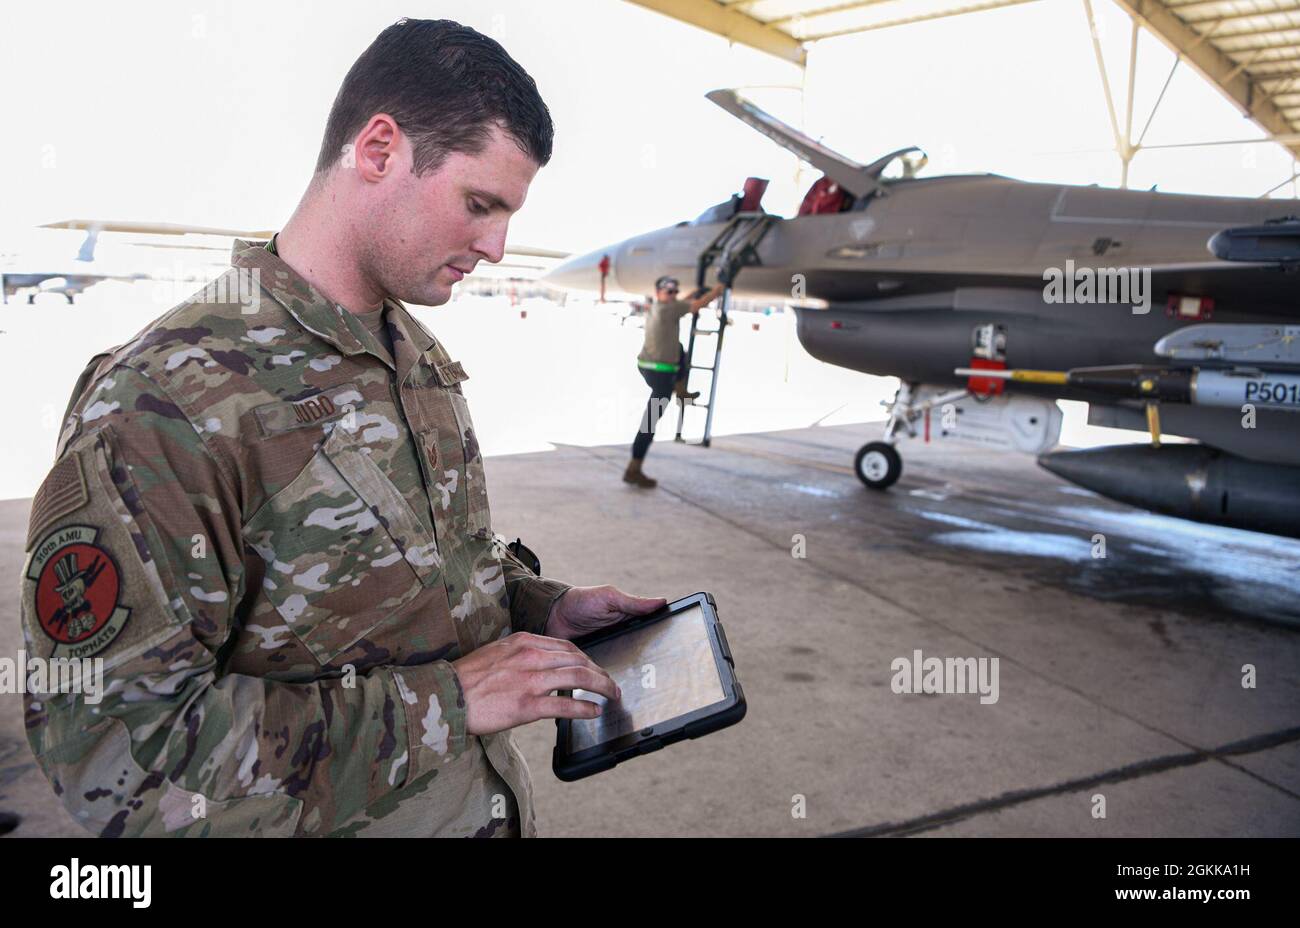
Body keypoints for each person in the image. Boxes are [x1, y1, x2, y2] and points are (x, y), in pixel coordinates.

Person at [18, 17, 667, 838]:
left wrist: (539, 609)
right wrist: (451, 703)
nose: (499, 247)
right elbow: (114, 750)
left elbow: (418, 577)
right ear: (378, 150)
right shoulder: (164, 401)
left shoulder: (412, 352)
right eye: (479, 203)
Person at [624, 276, 725, 488]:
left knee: (679, 349)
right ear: (659, 291)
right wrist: (717, 292)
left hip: (646, 366)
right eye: (668, 291)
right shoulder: (670, 310)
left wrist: (696, 291)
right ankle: (634, 468)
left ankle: (680, 390)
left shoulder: (657, 306)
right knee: (650, 422)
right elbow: (696, 306)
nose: (672, 295)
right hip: (661, 374)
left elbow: (684, 302)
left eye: (674, 292)